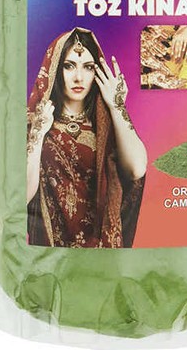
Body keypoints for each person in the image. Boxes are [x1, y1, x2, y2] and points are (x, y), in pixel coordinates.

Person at [27, 27, 147, 248]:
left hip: (103, 252)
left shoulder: (105, 128)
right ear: (55, 68)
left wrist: (116, 106)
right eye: (69, 66)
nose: (79, 77)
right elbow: (22, 195)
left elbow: (137, 169)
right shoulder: (37, 124)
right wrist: (38, 134)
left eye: (88, 67)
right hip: (55, 255)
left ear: (97, 73)